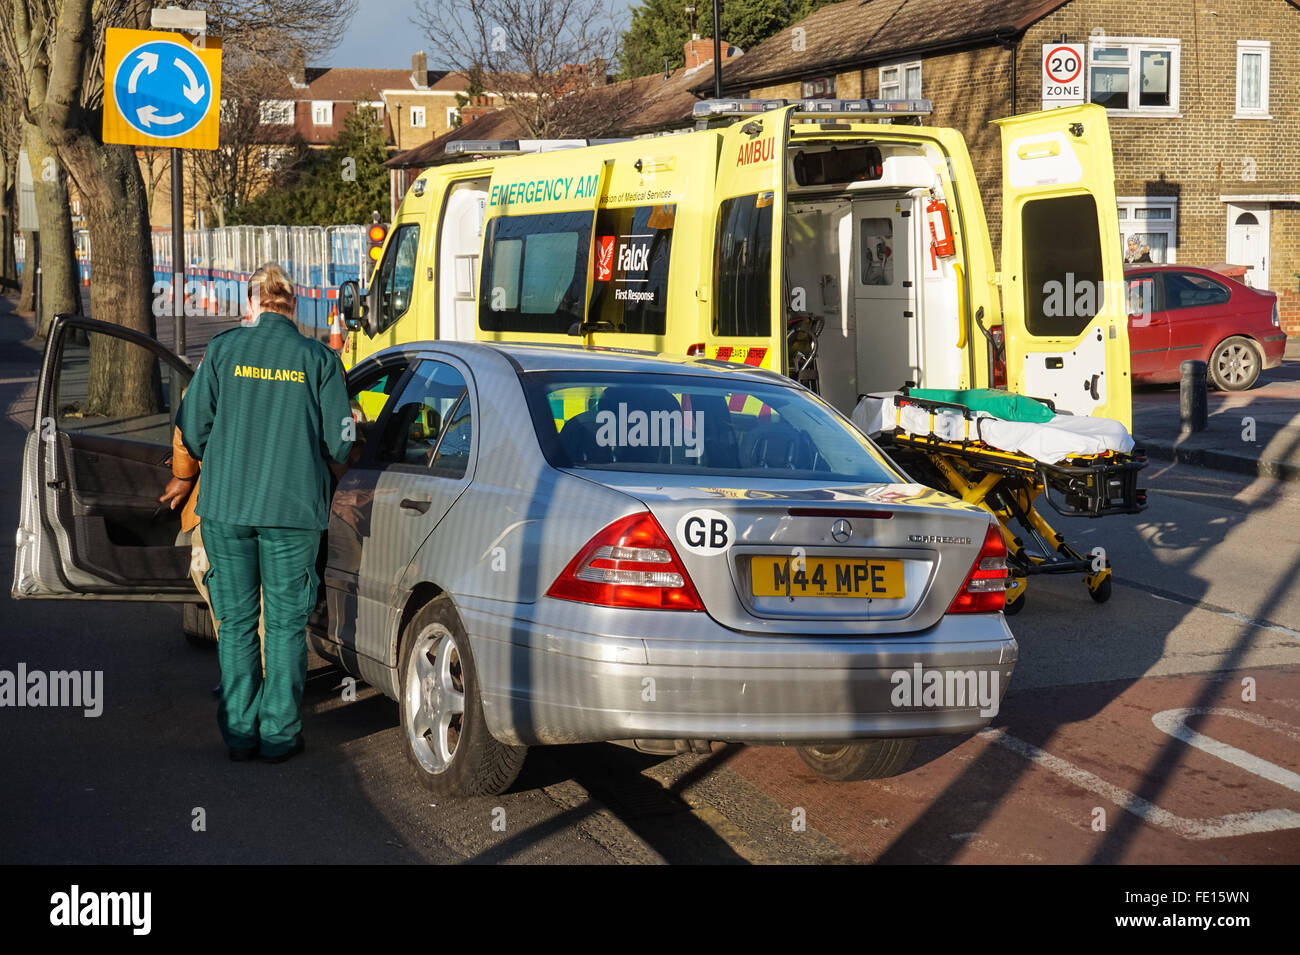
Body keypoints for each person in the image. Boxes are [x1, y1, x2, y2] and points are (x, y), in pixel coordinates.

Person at [176, 263, 352, 763]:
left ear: (251, 304)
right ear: (294, 306)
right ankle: (279, 735)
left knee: (235, 623)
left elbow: (193, 429)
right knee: (285, 625)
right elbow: (341, 441)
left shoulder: (223, 350)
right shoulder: (319, 359)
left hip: (227, 508)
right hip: (293, 513)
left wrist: (224, 455)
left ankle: (239, 733)